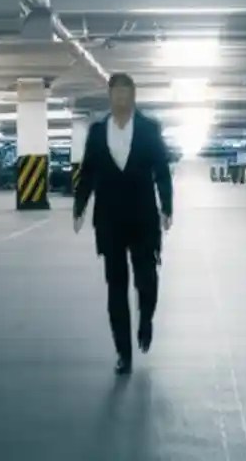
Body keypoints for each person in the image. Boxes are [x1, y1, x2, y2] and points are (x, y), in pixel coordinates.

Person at [73, 72, 174, 375]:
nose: (120, 98)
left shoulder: (149, 129)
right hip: (109, 221)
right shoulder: (96, 132)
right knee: (115, 288)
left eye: (125, 92)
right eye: (115, 92)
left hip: (143, 219)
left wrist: (167, 207)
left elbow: (162, 171)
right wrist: (79, 207)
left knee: (146, 280)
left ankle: (146, 320)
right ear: (109, 96)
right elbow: (88, 173)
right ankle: (123, 353)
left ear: (133, 96)